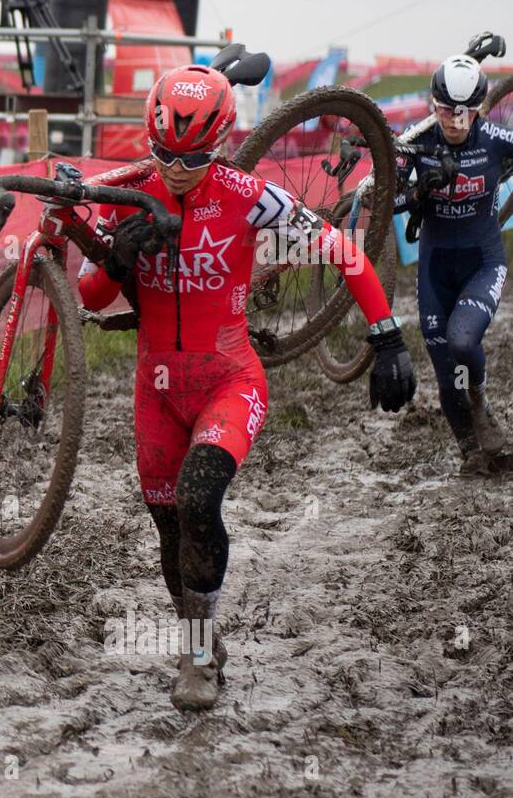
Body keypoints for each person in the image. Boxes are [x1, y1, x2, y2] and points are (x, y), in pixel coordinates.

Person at [78, 64, 417, 711]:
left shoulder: (247, 196)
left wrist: (387, 336)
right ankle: (200, 634)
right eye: (164, 154)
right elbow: (91, 298)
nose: (176, 169)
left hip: (229, 378)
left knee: (201, 495)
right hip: (155, 391)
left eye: (194, 157)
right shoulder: (130, 190)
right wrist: (117, 257)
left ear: (223, 142)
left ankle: (198, 661)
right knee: (169, 530)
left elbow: (344, 252)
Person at [395, 53, 513, 474]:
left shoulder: (498, 139)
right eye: (447, 111)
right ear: (433, 103)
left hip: (482, 262)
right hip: (433, 269)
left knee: (463, 343)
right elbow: (386, 199)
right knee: (446, 372)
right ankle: (473, 454)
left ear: (480, 107)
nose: (457, 122)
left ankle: (482, 405)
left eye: (465, 113)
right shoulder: (416, 142)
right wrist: (419, 192)